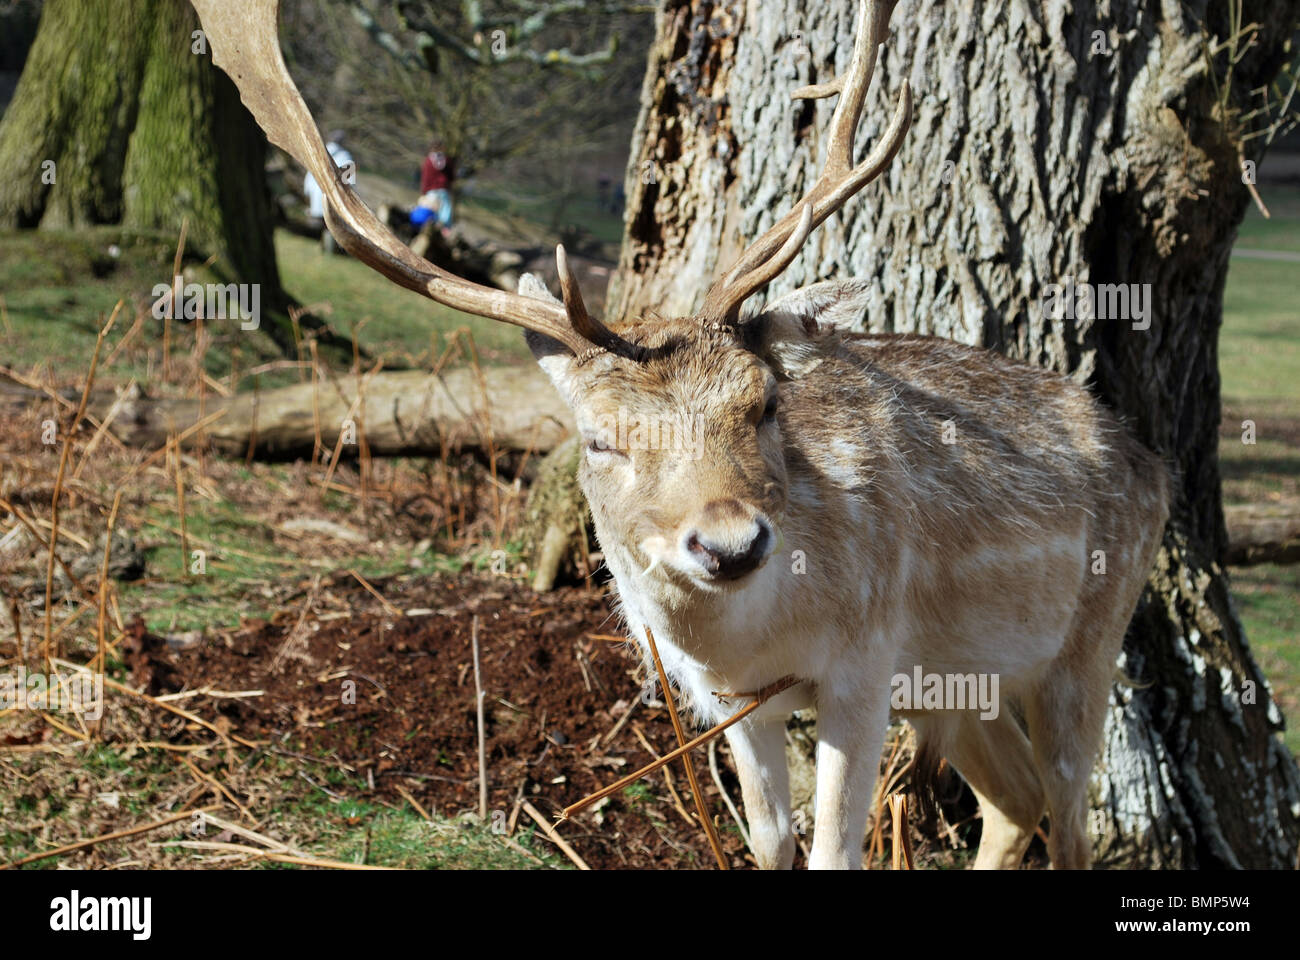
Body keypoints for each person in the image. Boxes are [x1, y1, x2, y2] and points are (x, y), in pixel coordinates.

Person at [303, 130, 354, 253]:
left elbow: (308, 179)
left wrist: (308, 195)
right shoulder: (346, 156)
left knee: (324, 224)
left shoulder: (318, 152)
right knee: (332, 225)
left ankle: (324, 247)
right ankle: (330, 249)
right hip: (333, 198)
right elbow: (349, 182)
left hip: (316, 198)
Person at [413, 139, 456, 234]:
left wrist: (423, 191)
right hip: (444, 190)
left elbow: (425, 177)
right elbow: (452, 176)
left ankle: (427, 231)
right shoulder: (447, 160)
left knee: (429, 212)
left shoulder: (428, 161)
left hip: (431, 191)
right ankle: (444, 232)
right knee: (445, 215)